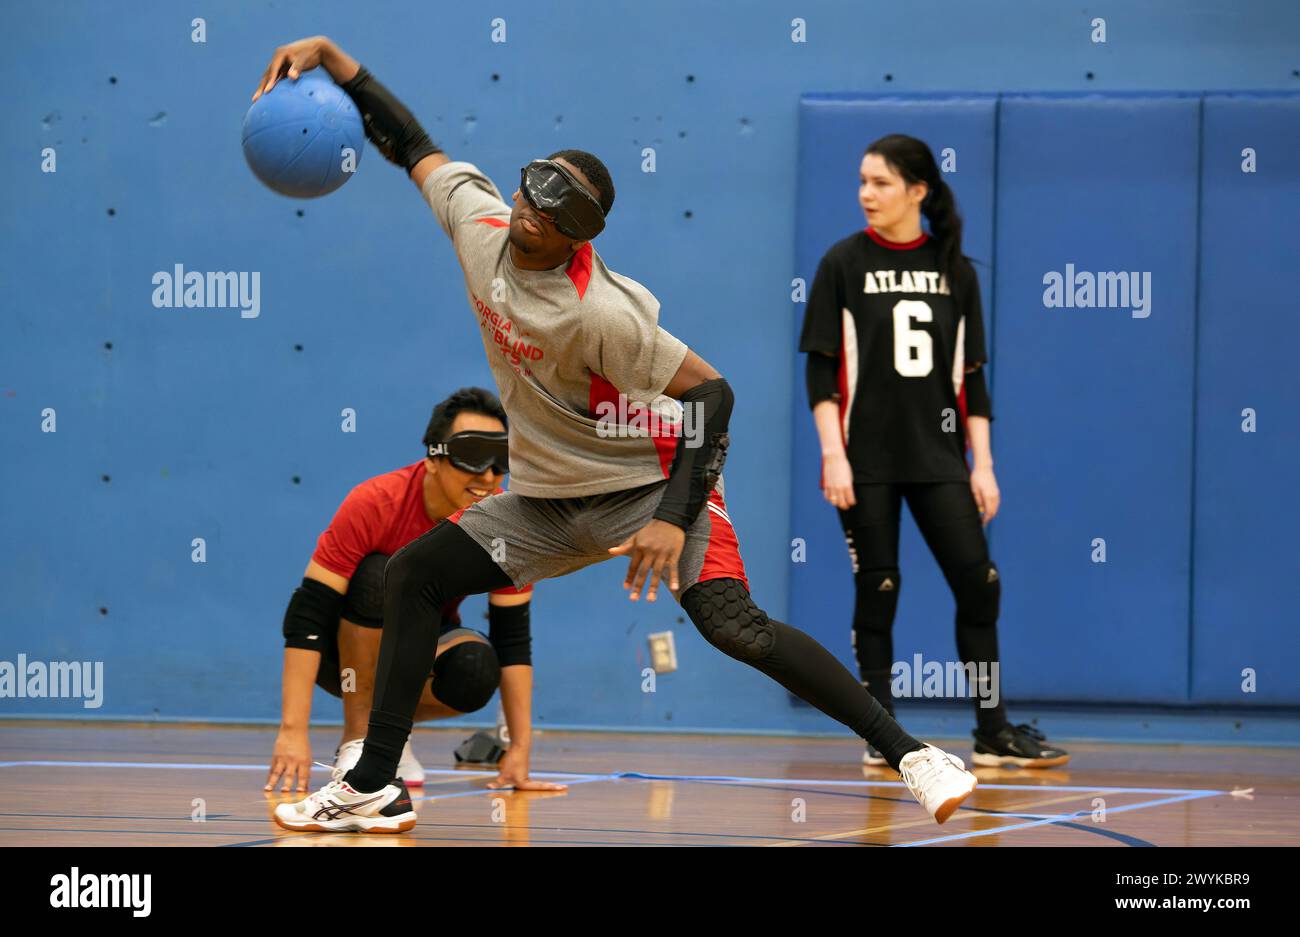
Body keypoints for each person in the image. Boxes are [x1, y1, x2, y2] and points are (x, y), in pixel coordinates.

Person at [253, 36, 978, 834]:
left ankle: (912, 753)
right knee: (416, 572)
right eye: (530, 191)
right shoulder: (480, 223)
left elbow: (713, 393)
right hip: (550, 492)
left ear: (577, 235)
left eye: (548, 211)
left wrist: (673, 516)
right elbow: (412, 144)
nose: (527, 210)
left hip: (654, 478)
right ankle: (375, 782)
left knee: (732, 626)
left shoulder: (604, 313)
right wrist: (338, 63)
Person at [801, 134, 1068, 769]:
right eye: (862, 181)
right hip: (863, 461)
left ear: (917, 191)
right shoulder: (843, 262)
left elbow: (970, 376)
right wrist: (832, 455)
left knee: (979, 582)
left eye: (881, 183)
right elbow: (821, 371)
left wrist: (985, 464)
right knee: (880, 586)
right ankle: (882, 731)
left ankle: (993, 730)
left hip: (940, 460)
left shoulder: (956, 270)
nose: (866, 194)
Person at [266, 387, 564, 795]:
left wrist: (519, 750)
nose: (488, 476)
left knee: (476, 668)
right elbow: (308, 614)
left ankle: (390, 735)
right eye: (471, 455)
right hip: (340, 656)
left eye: (500, 461)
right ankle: (360, 744)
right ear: (434, 457)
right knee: (380, 574)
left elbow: (512, 639)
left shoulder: (506, 524)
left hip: (420, 652)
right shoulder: (376, 502)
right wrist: (292, 732)